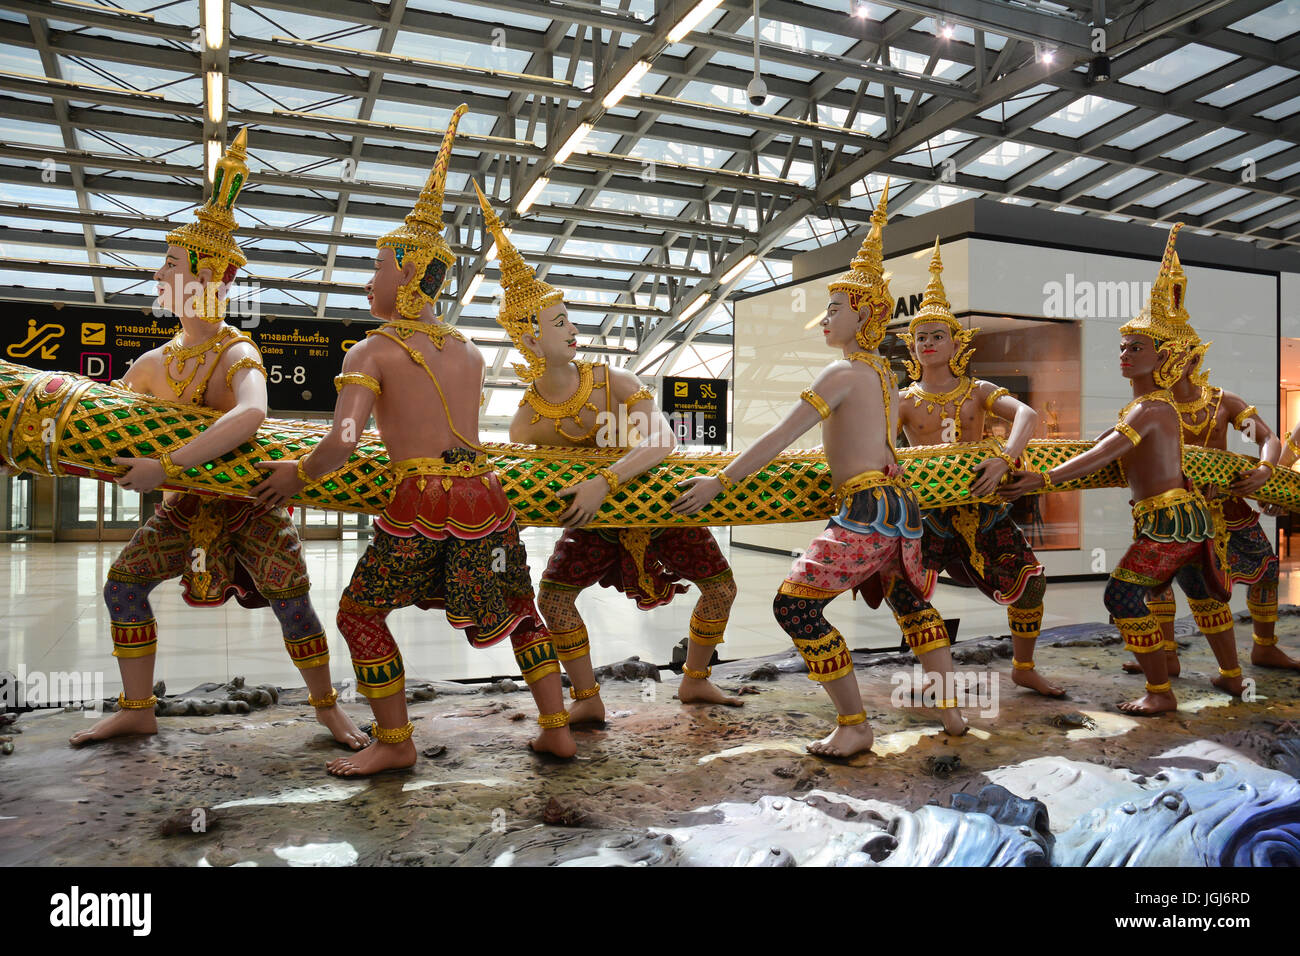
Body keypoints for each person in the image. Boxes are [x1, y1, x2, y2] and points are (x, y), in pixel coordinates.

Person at [254, 106, 575, 775]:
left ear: (409, 274)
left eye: (377, 268)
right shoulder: (467, 350)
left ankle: (396, 742)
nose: (369, 280)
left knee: (359, 614)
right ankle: (557, 728)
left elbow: (344, 438)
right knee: (516, 608)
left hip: (420, 506)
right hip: (485, 497)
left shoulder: (374, 350)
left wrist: (298, 476)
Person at [69, 130, 365, 750]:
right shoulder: (153, 361)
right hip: (186, 507)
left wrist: (168, 462)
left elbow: (251, 416)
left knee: (293, 602)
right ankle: (137, 706)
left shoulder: (235, 349)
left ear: (207, 276)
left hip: (249, 502)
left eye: (170, 266)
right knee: (123, 585)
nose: (159, 274)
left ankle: (329, 710)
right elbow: (110, 418)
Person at [673, 182, 968, 758]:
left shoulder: (841, 375)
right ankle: (951, 712)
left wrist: (720, 482)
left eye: (836, 307)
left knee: (794, 604)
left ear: (868, 314)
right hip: (899, 505)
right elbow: (881, 445)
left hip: (866, 509)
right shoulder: (884, 376)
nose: (826, 317)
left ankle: (855, 723)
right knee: (913, 604)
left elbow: (779, 437)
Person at [475, 182, 740, 724]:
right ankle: (586, 697)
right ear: (529, 340)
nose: (572, 330)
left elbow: (663, 440)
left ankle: (695, 680)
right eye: (558, 324)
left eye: (569, 319)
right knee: (553, 601)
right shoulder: (527, 416)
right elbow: (526, 481)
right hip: (595, 523)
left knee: (721, 586)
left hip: (660, 505)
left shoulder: (613, 379)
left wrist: (605, 480)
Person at [1002, 223, 1247, 715]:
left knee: (1122, 596)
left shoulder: (1149, 409)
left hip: (1169, 522)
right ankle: (1233, 677)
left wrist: (1046, 478)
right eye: (1122, 346)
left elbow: (1103, 454)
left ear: (1168, 357)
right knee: (1202, 596)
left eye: (1136, 347)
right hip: (1180, 518)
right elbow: (1103, 450)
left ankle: (1160, 693)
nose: (1125, 354)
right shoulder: (1151, 410)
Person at [1112, 252, 1293, 675]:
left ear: (1192, 358)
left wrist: (1266, 469)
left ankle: (1263, 646)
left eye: (1182, 356)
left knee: (1265, 569)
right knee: (1159, 584)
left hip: (1227, 507)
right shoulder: (1149, 405)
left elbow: (1269, 438)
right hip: (1170, 510)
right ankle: (1167, 654)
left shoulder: (1222, 402)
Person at [895, 238, 1061, 697]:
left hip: (984, 507)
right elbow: (881, 445)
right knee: (907, 592)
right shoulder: (903, 400)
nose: (928, 343)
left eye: (937, 336)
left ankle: (1023, 666)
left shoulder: (978, 389)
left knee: (1032, 585)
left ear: (956, 343)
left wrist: (1005, 456)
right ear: (912, 347)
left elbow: (1026, 416)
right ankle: (935, 676)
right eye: (920, 337)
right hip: (925, 515)